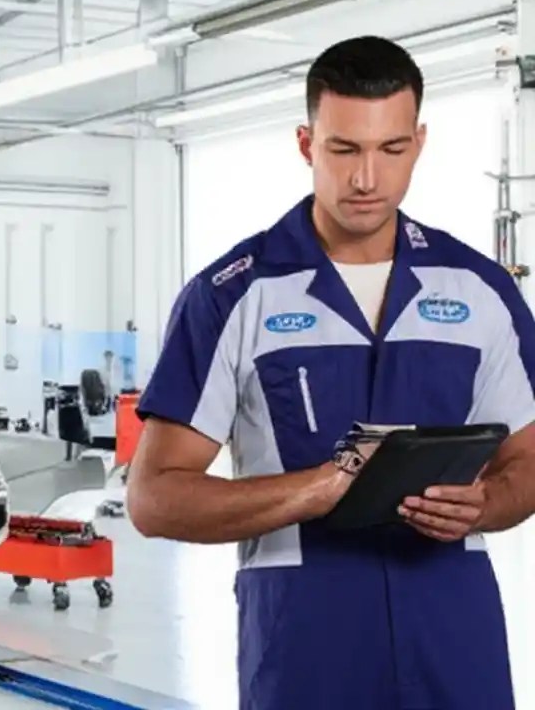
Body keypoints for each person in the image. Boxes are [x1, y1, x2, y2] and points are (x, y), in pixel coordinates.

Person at [126, 35, 535, 710]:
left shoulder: (480, 291)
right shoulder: (234, 296)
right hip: (305, 642)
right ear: (305, 143)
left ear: (419, 142)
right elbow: (153, 498)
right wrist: (317, 489)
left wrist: (487, 504)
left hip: (454, 633)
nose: (367, 178)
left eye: (391, 149)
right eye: (344, 149)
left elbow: (527, 460)